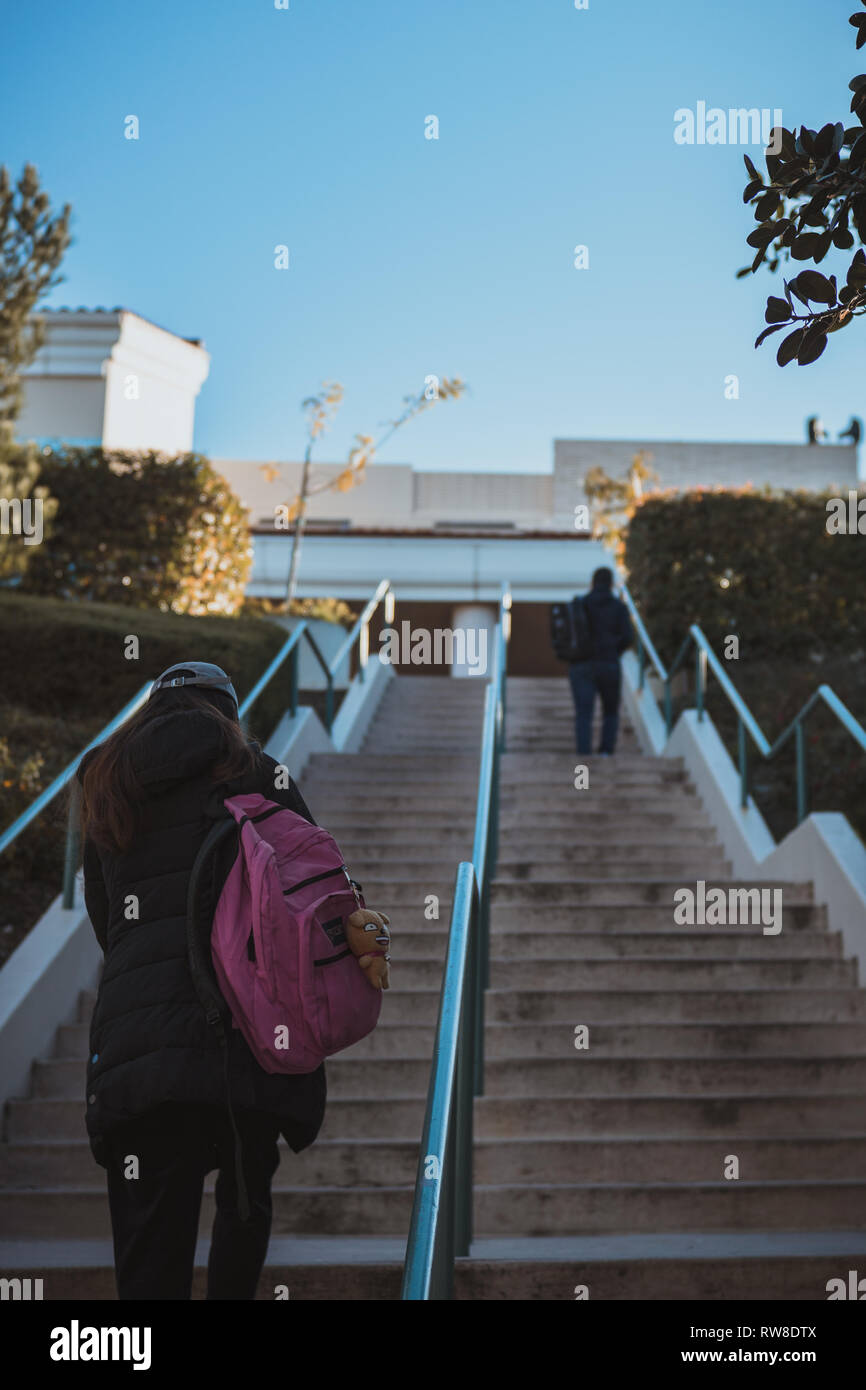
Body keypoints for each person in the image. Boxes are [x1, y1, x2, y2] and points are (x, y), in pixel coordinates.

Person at [76, 661, 329, 1300]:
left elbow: (109, 920)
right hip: (243, 1033)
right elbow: (312, 884)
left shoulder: (107, 778)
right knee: (244, 1202)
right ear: (226, 712)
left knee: (149, 1243)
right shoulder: (256, 769)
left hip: (139, 1049)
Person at [568, 568, 634, 756]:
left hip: (581, 664)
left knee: (583, 713)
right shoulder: (618, 607)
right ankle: (606, 751)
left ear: (592, 582)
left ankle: (584, 755)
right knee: (611, 711)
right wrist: (614, 650)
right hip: (609, 664)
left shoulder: (580, 604)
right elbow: (628, 637)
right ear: (611, 583)